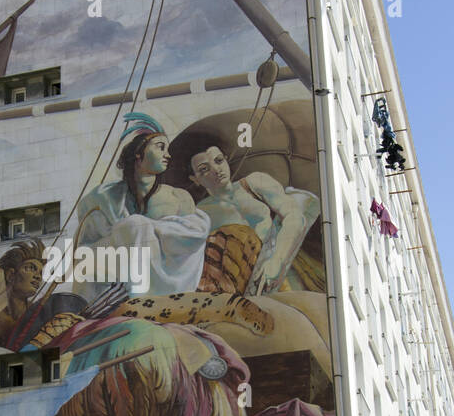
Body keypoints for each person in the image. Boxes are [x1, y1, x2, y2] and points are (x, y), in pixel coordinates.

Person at [75, 113, 210, 295]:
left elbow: (194, 237)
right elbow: (85, 252)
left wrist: (147, 229)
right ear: (138, 153)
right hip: (114, 283)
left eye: (168, 149)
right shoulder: (104, 197)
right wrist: (128, 233)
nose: (167, 155)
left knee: (135, 224)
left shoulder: (178, 197)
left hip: (166, 284)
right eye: (160, 147)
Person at [186, 139, 321, 295]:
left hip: (276, 262)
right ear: (194, 179)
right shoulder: (201, 213)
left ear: (226, 159)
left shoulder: (254, 183)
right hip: (238, 284)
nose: (216, 170)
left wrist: (276, 262)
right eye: (204, 169)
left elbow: (295, 217)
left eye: (219, 160)